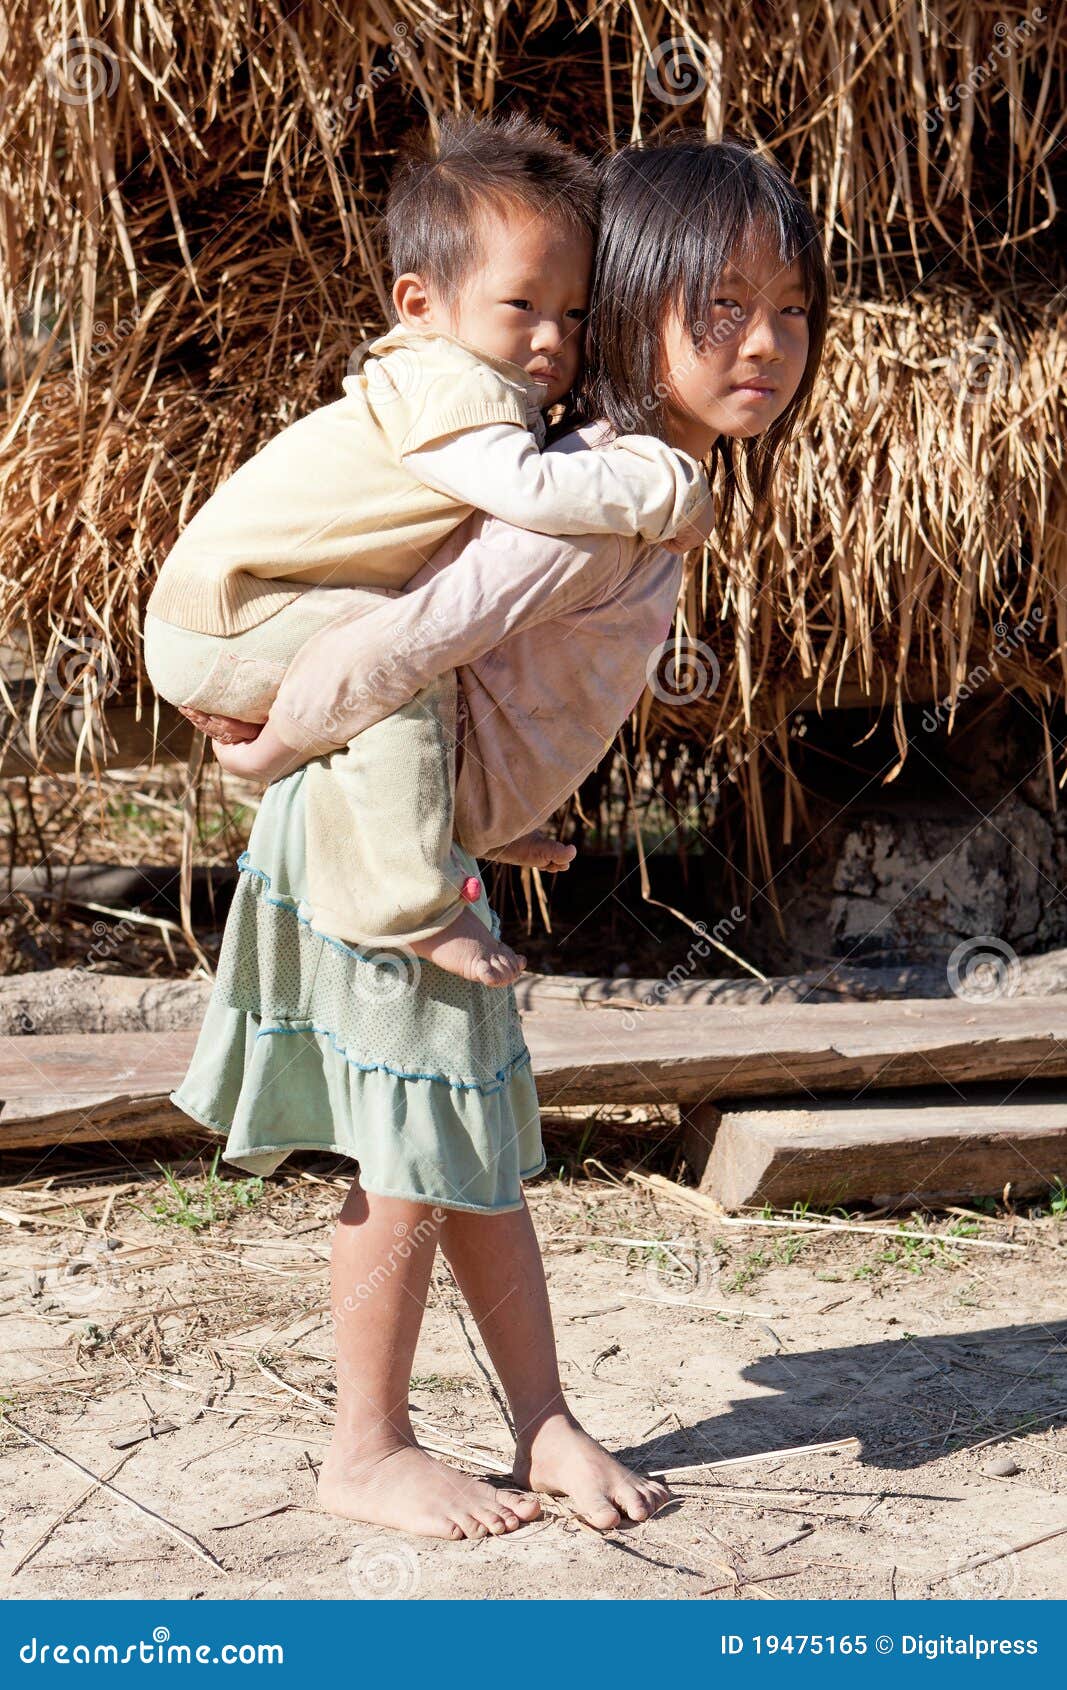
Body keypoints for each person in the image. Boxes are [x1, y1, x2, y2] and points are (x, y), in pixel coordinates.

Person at [170, 134, 829, 1540]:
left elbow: (493, 686)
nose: (761, 339)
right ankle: (365, 1448)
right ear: (636, 304)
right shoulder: (591, 494)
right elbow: (406, 644)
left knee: (456, 1137)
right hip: (373, 839)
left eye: (787, 307)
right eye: (716, 307)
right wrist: (279, 744)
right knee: (413, 1147)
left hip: (420, 833)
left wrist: (500, 822)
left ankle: (540, 1423)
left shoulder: (627, 483)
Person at [143, 111, 710, 988]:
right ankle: (415, 906)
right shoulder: (449, 387)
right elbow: (529, 490)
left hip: (250, 601)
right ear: (420, 303)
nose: (554, 337)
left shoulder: (464, 377)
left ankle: (442, 812)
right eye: (522, 304)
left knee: (406, 660)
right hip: (237, 608)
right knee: (403, 665)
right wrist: (660, 490)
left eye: (574, 312)